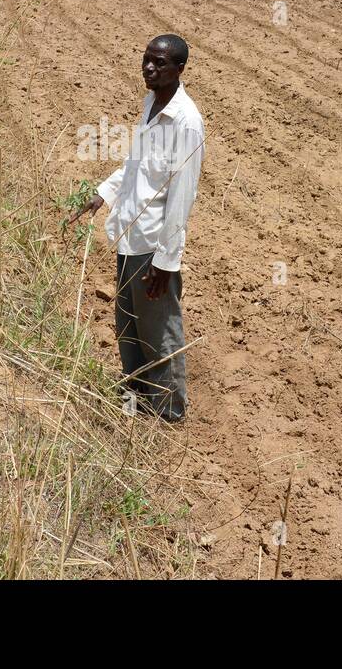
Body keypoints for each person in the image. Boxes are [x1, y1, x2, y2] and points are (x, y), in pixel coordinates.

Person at [67, 35, 204, 422]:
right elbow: (136, 163)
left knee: (159, 329)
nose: (148, 68)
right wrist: (103, 193)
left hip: (152, 242)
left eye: (159, 63)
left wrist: (166, 261)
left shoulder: (186, 123)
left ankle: (169, 411)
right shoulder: (151, 103)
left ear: (179, 69)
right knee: (128, 322)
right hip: (130, 232)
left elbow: (181, 196)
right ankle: (137, 396)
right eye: (146, 60)